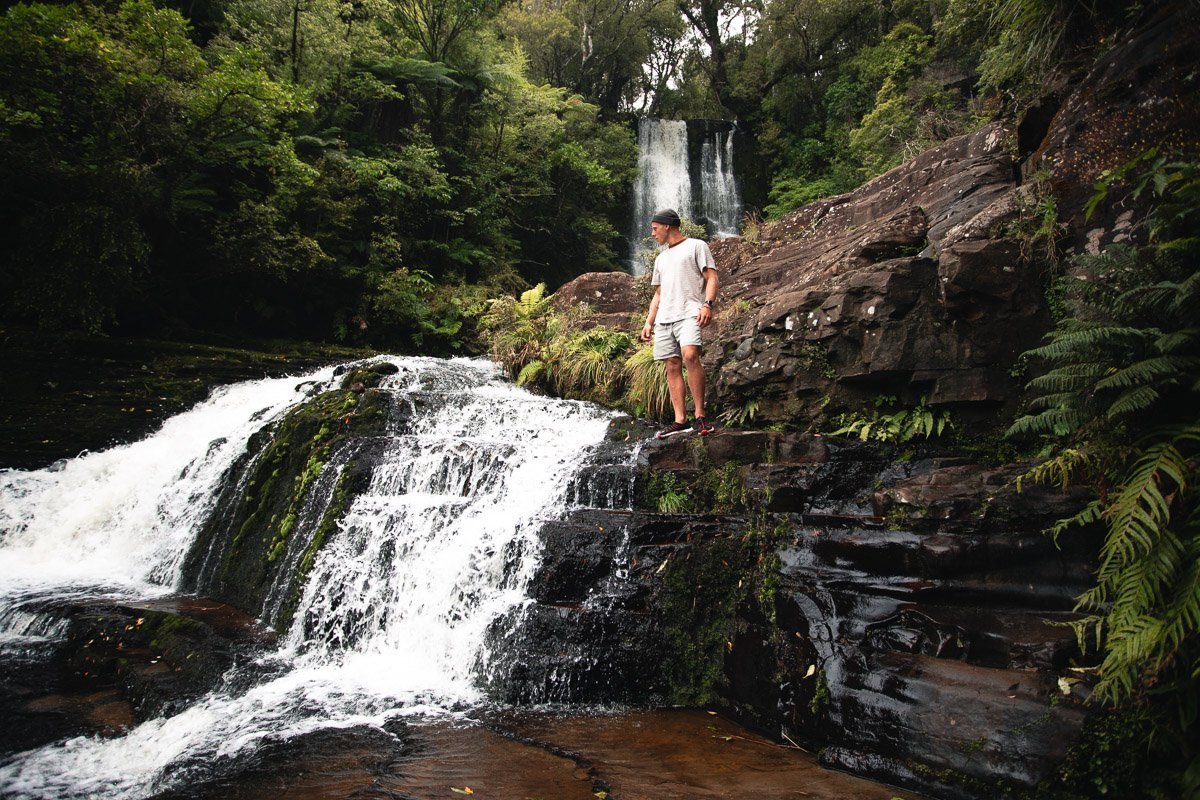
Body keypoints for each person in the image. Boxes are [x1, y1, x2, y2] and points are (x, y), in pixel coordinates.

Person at [639, 208, 720, 439]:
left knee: (690, 354)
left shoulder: (696, 245)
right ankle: (680, 420)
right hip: (664, 318)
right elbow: (658, 294)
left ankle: (701, 416)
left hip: (689, 313)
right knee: (672, 365)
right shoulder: (660, 258)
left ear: (667, 226)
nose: (652, 234)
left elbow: (712, 277)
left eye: (655, 229)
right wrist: (648, 322)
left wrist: (708, 304)